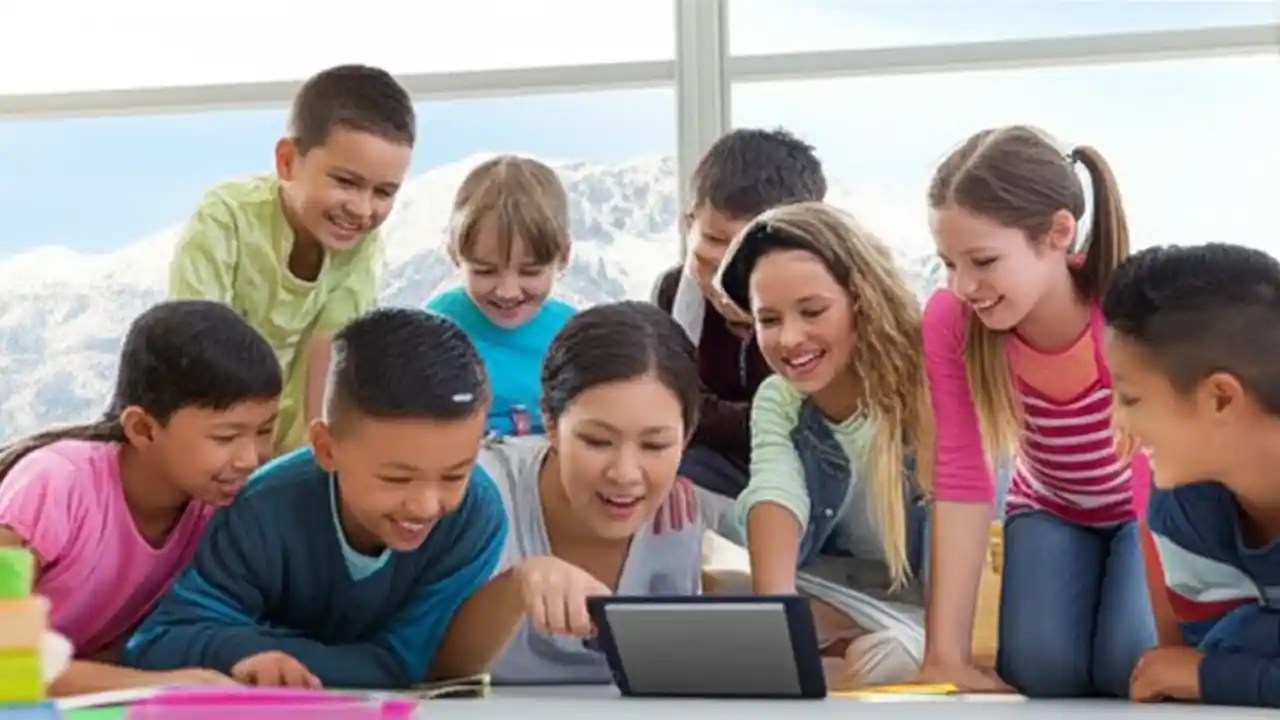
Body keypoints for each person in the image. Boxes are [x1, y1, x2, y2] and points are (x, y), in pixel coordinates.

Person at [123, 308, 509, 689]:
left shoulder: (475, 518)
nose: (426, 505)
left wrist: (265, 641)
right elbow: (159, 641)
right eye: (397, 478)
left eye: (455, 474)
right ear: (325, 448)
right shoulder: (264, 509)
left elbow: (408, 663)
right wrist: (246, 654)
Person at [917, 125, 1154, 697]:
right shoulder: (953, 322)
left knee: (1130, 663)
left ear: (1057, 233)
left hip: (1143, 513)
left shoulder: (1124, 317)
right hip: (1051, 507)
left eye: (983, 260)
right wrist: (943, 655)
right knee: (1041, 672)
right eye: (949, 262)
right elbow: (962, 475)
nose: (964, 284)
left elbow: (1157, 476)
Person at [0, 300, 282, 695]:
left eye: (265, 430)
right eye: (225, 437)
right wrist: (164, 686)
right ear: (143, 428)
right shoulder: (51, 486)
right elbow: (5, 664)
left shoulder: (213, 510)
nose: (250, 458)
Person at [714, 201, 934, 688]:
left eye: (813, 311)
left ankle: (839, 652)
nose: (790, 338)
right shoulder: (781, 398)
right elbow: (776, 491)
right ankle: (828, 649)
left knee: (890, 656)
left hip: (933, 603)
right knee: (718, 591)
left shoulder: (928, 387)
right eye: (768, 320)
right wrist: (779, 626)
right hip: (840, 585)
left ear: (861, 300)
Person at [438, 301, 702, 684]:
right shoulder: (479, 495)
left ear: (687, 437)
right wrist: (516, 587)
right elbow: (427, 674)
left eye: (655, 445)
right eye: (597, 441)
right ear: (549, 423)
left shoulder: (677, 516)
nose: (625, 474)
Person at [170, 64, 416, 455]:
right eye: (346, 182)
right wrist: (244, 448)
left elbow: (327, 357)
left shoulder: (361, 248)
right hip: (210, 426)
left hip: (282, 438)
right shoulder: (226, 218)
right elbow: (195, 345)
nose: (362, 209)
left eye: (384, 192)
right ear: (287, 162)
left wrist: (304, 458)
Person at [1103, 243, 1280, 708]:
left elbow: (1200, 671)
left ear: (1221, 398)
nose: (1116, 422)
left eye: (1130, 399)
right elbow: (1187, 661)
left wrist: (1217, 677)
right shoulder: (1182, 507)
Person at [652, 128, 827, 522]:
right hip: (710, 470)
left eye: (749, 250)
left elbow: (806, 422)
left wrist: (701, 411)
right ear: (688, 223)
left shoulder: (823, 308)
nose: (725, 276)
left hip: (811, 474)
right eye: (713, 240)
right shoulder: (673, 295)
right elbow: (665, 404)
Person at [426, 154, 575, 437]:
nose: (508, 292)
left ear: (564, 257)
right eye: (484, 271)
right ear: (455, 256)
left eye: (530, 272)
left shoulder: (573, 334)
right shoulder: (435, 329)